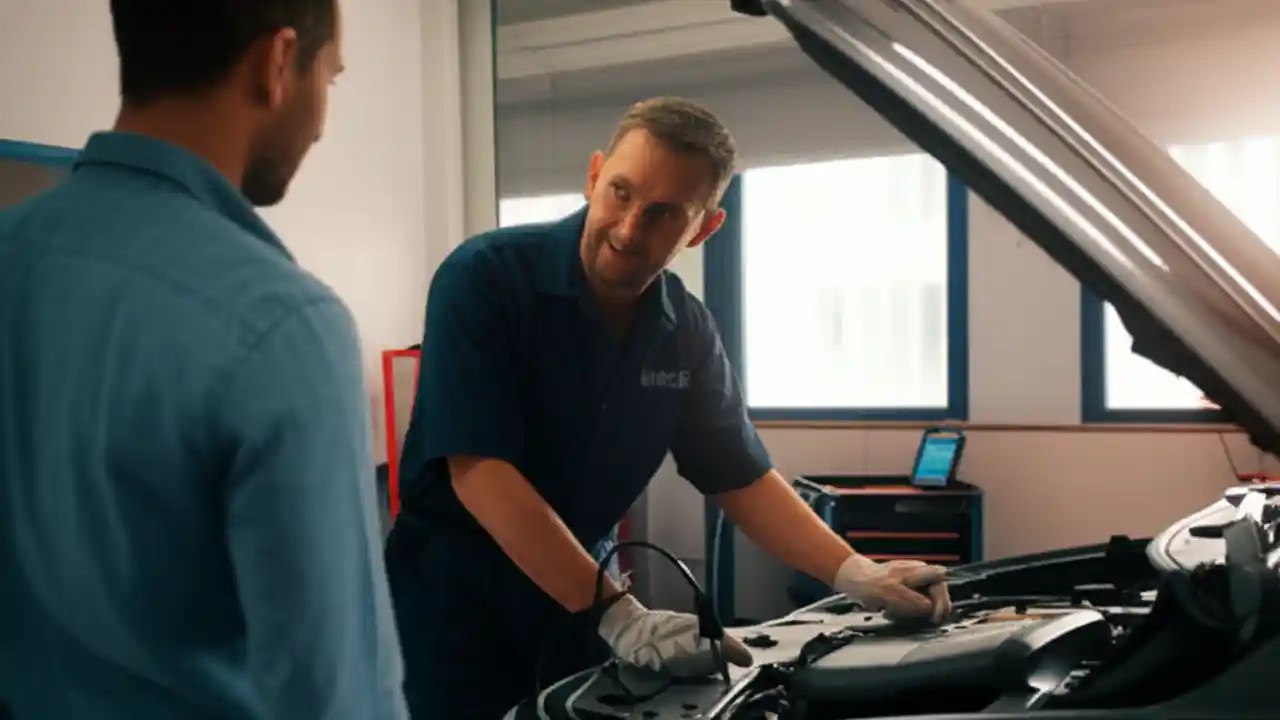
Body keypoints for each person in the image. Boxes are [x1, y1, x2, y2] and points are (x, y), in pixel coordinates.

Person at [384, 96, 952, 718]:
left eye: (662, 215)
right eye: (620, 194)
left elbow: (739, 475)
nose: (628, 230)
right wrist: (620, 614)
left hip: (583, 611)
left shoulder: (685, 328)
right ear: (594, 175)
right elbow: (481, 471)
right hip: (455, 612)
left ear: (704, 228)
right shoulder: (484, 278)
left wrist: (855, 573)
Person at [0, 1, 407, 718]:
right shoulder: (283, 326)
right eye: (330, 80)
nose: (321, 120)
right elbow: (334, 697)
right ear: (277, 63)